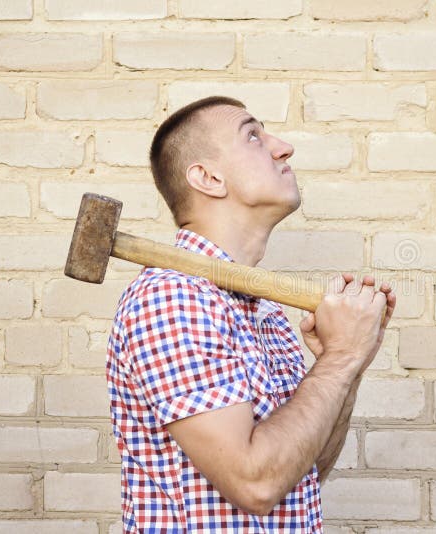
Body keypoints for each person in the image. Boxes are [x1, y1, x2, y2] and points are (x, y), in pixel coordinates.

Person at [106, 95, 396, 532]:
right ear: (208, 177)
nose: (283, 147)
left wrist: (349, 359)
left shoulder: (264, 310)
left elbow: (304, 468)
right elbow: (254, 483)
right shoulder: (173, 298)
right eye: (254, 136)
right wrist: (338, 362)